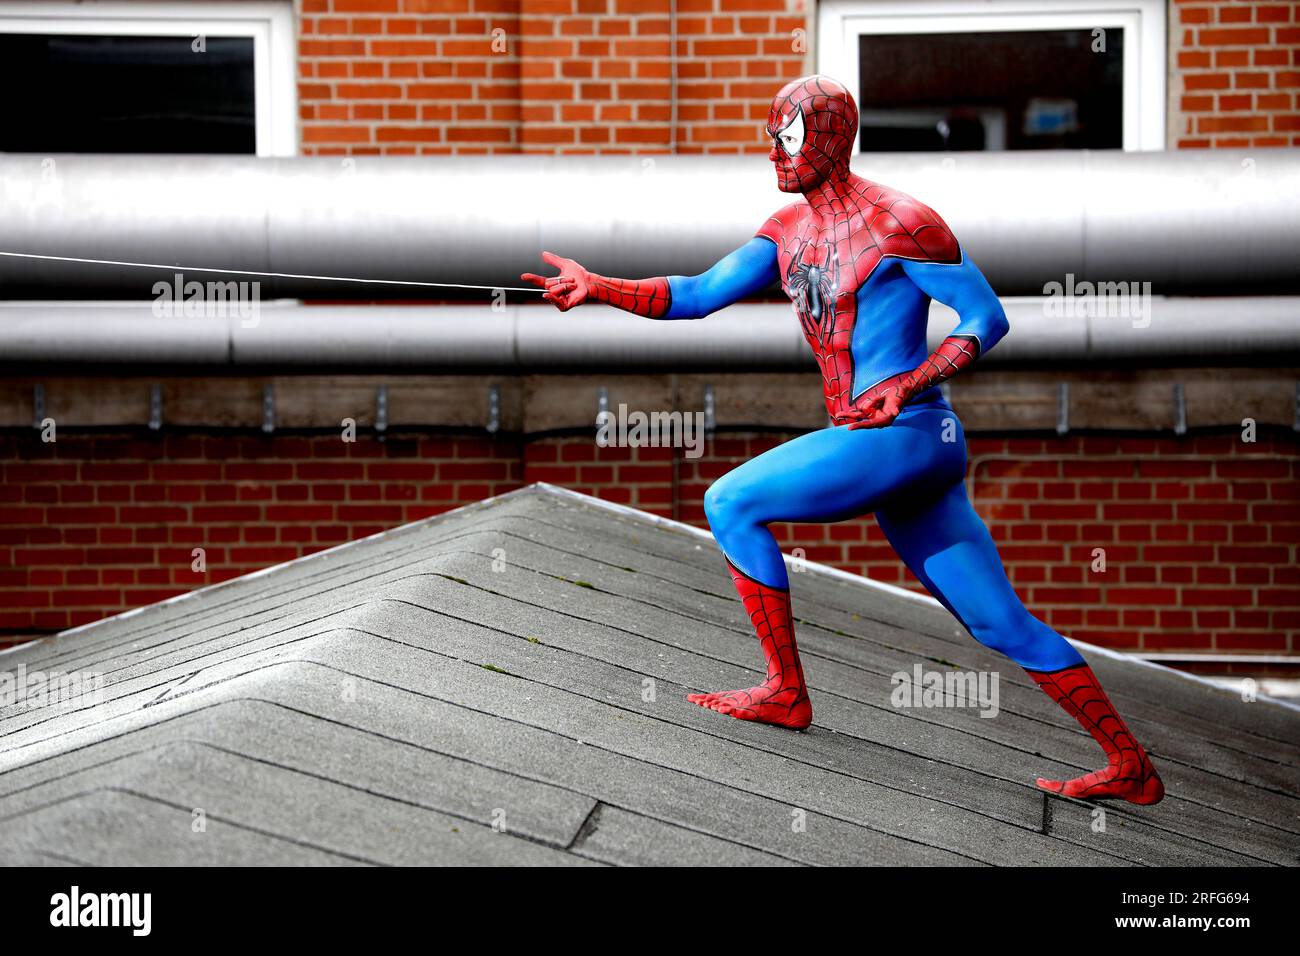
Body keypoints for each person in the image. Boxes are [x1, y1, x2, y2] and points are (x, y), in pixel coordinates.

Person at [522, 75, 1164, 805]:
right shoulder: (786, 232)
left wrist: (910, 382)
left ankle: (784, 690)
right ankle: (1130, 763)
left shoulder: (903, 222)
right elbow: (698, 294)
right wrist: (597, 286)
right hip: (900, 448)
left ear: (830, 138)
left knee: (730, 500)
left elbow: (985, 318)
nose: (774, 151)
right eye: (771, 135)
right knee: (996, 621)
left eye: (788, 136)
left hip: (908, 433)